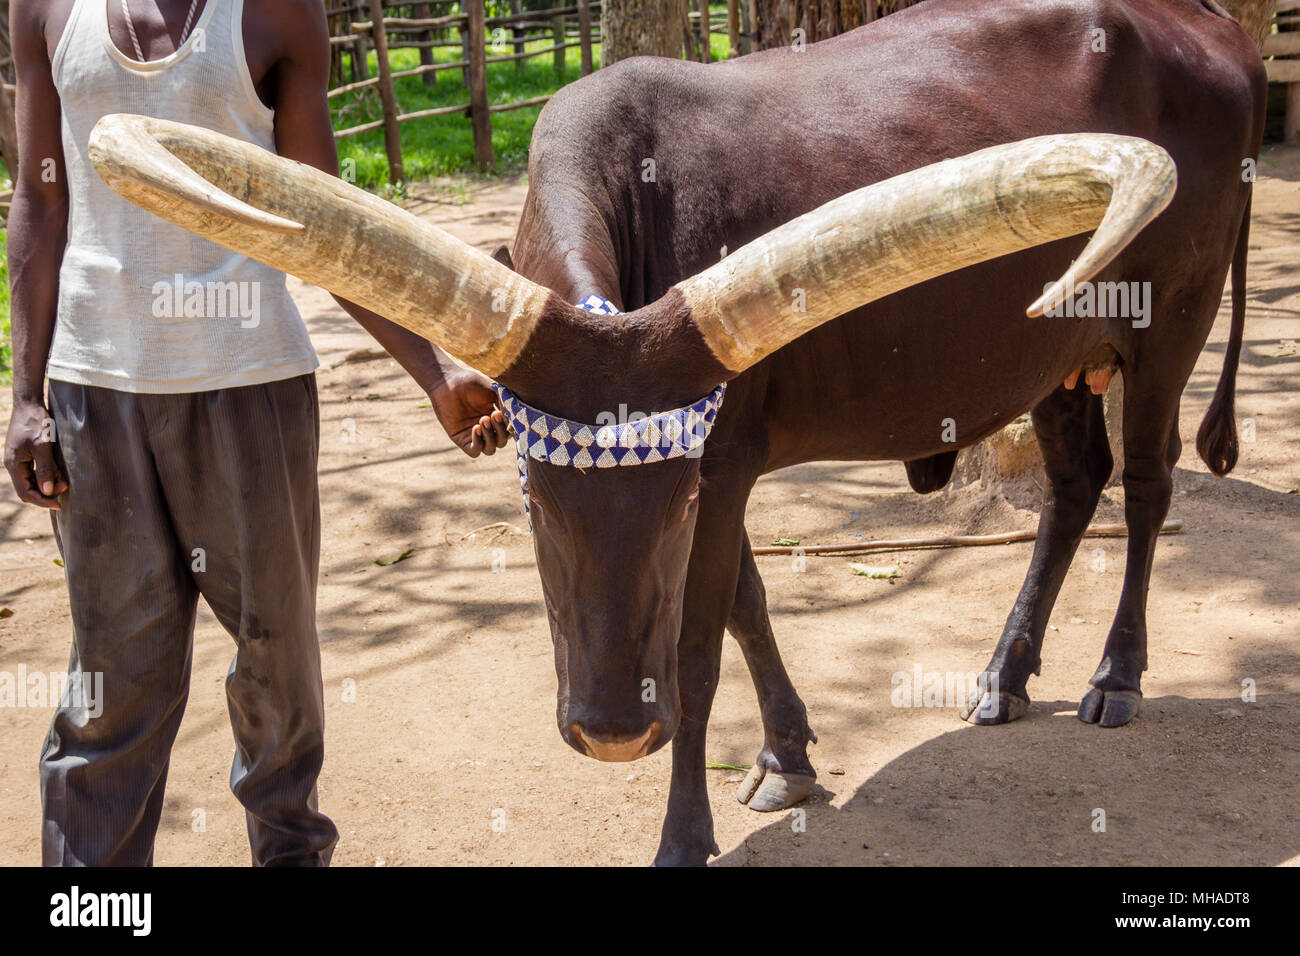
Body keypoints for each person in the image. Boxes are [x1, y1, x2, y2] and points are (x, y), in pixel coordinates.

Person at [3, 0, 508, 865]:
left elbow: (323, 219)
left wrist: (432, 369)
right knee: (111, 690)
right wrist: (26, 397)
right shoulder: (45, 6)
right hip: (97, 391)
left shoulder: (276, 11)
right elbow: (43, 200)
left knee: (278, 669)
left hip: (250, 388)